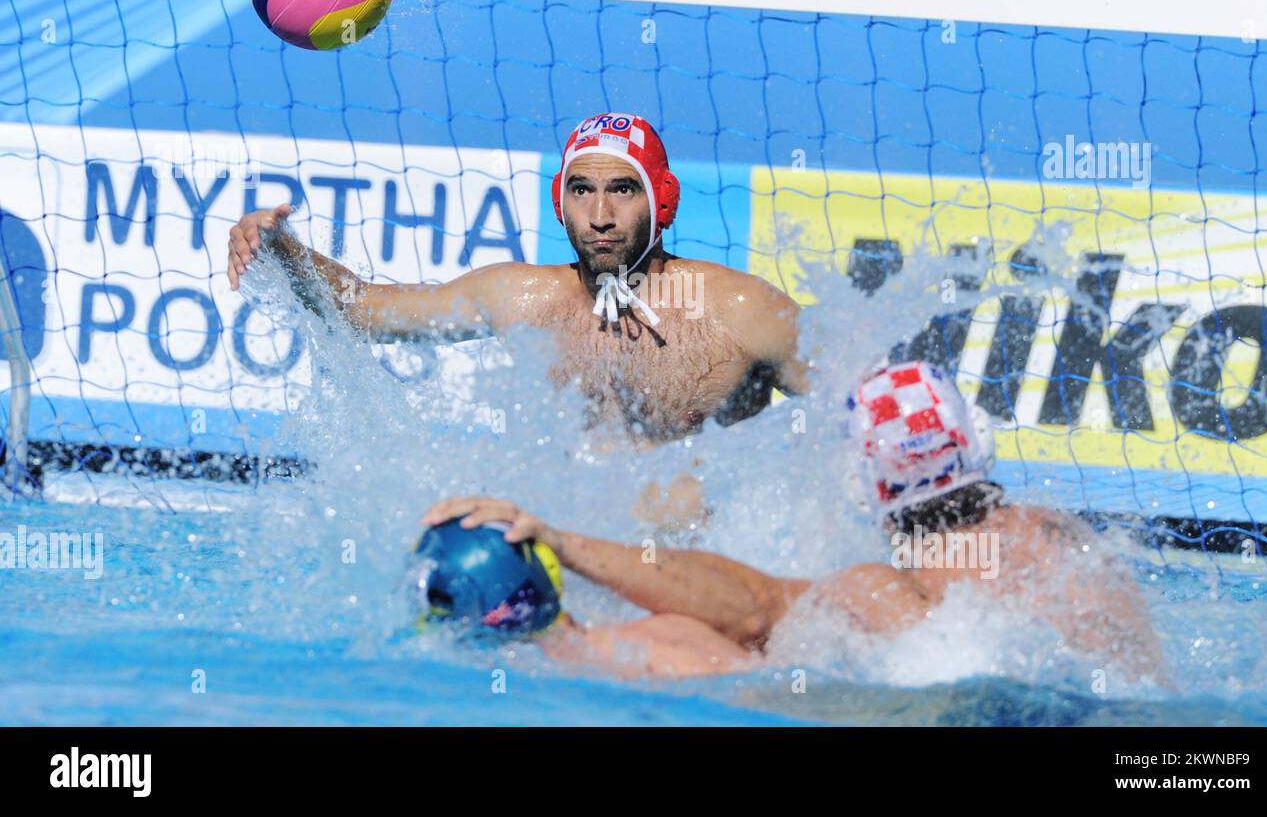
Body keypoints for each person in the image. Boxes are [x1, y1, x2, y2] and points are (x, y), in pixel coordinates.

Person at [414, 361, 1166, 683]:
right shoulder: (1066, 540)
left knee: (732, 664)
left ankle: (559, 641)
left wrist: (561, 544)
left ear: (864, 485)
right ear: (981, 443)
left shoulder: (886, 595)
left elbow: (754, 605)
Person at [226, 113, 807, 443]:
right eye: (582, 190)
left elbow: (862, 404)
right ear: (560, 201)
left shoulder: (739, 309)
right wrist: (282, 250)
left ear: (662, 202)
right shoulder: (520, 297)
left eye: (622, 190)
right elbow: (364, 311)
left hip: (697, 576)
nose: (600, 216)